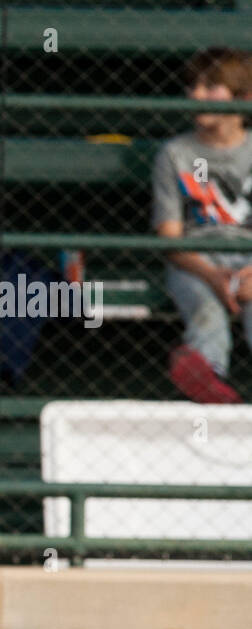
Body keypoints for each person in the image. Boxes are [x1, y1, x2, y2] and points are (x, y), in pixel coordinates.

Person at [154, 48, 252, 403]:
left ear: (244, 97)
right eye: (192, 86)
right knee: (206, 311)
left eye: (211, 87)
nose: (196, 95)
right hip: (196, 260)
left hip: (249, 260)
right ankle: (209, 386)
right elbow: (170, 240)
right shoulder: (175, 154)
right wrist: (212, 275)